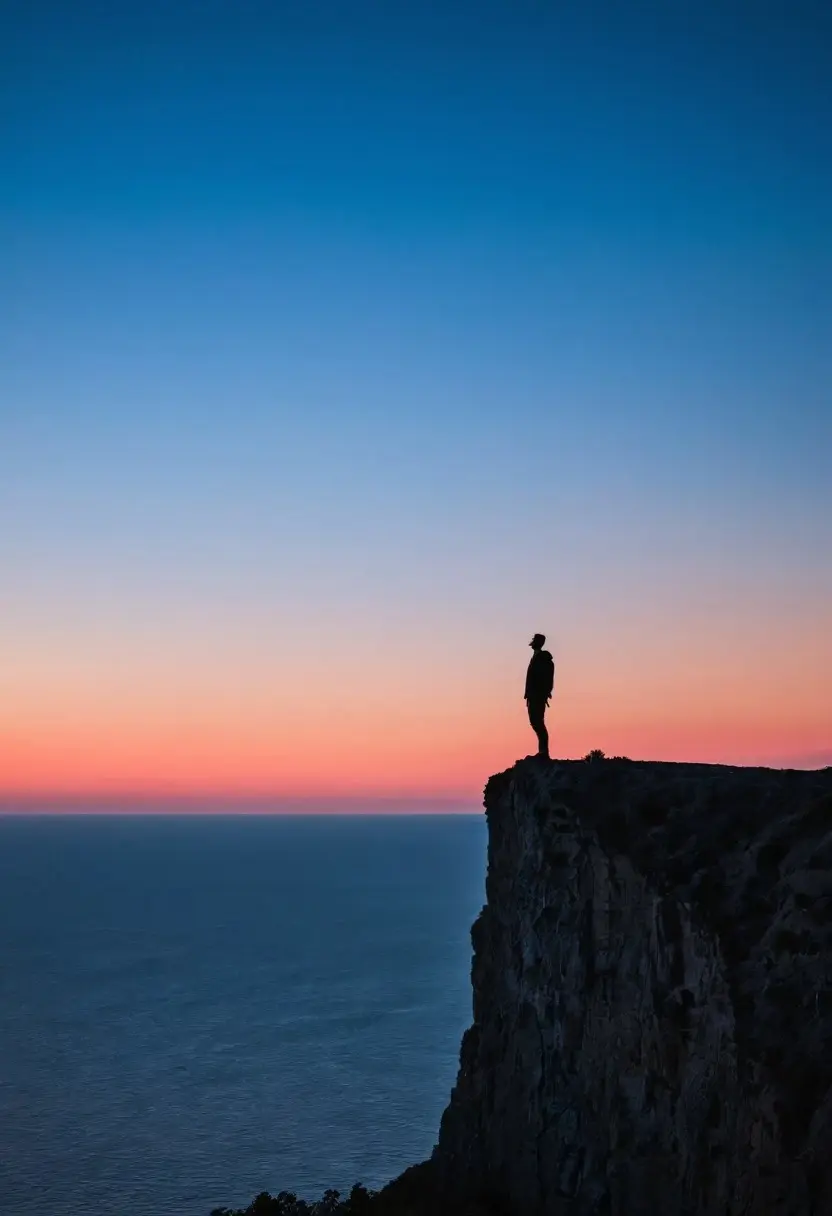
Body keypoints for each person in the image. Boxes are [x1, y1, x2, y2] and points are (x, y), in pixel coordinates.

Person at [525, 633, 554, 759]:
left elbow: (546, 678)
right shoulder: (536, 657)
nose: (532, 642)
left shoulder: (543, 658)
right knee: (535, 722)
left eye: (535, 640)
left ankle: (544, 752)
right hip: (533, 695)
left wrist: (543, 693)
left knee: (538, 722)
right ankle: (542, 751)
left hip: (538, 696)